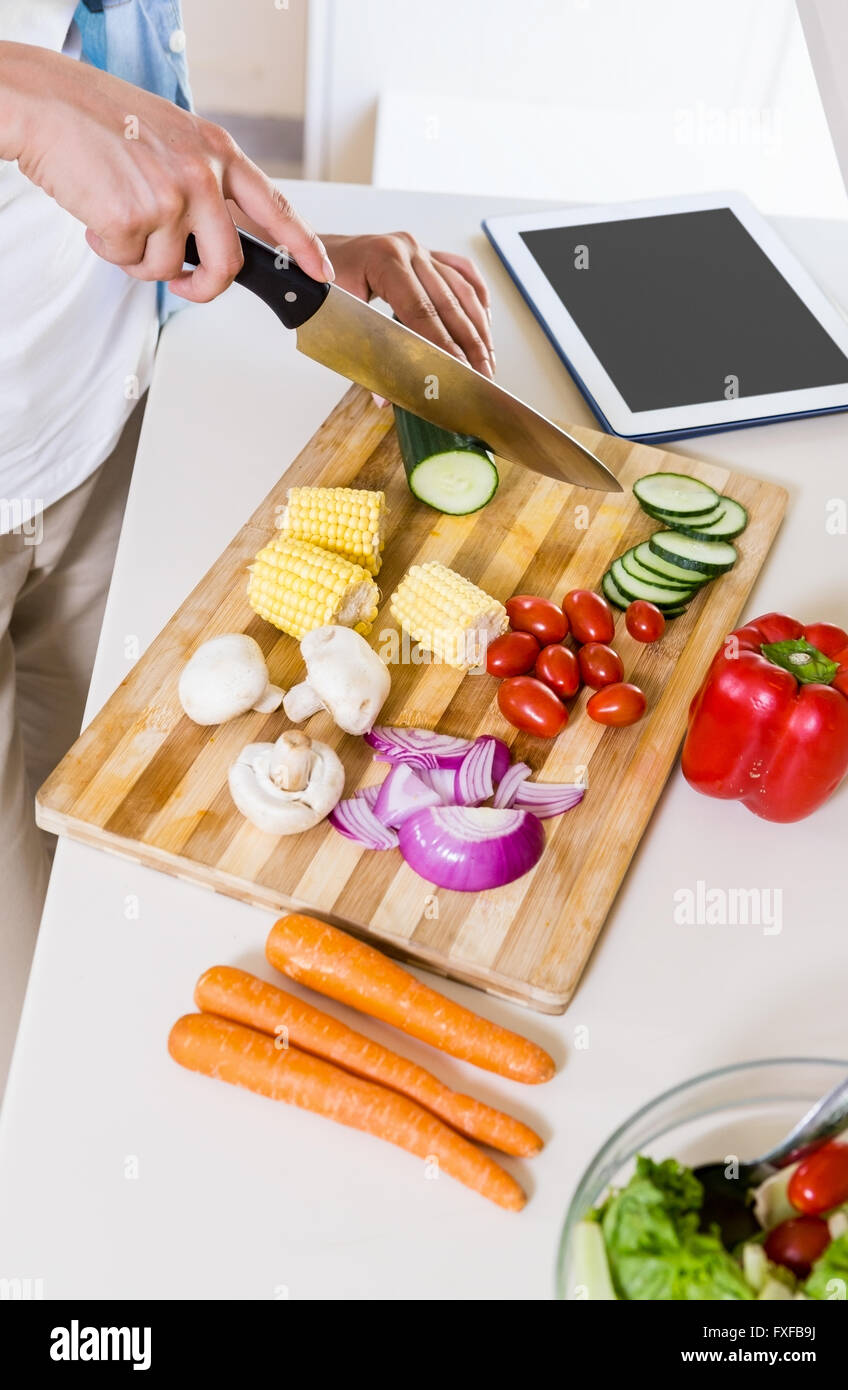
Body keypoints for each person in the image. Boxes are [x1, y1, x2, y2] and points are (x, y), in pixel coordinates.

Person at [0, 5, 495, 1087]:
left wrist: (294, 259)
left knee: (118, 907)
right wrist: (19, 89)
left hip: (98, 421)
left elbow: (107, 86)